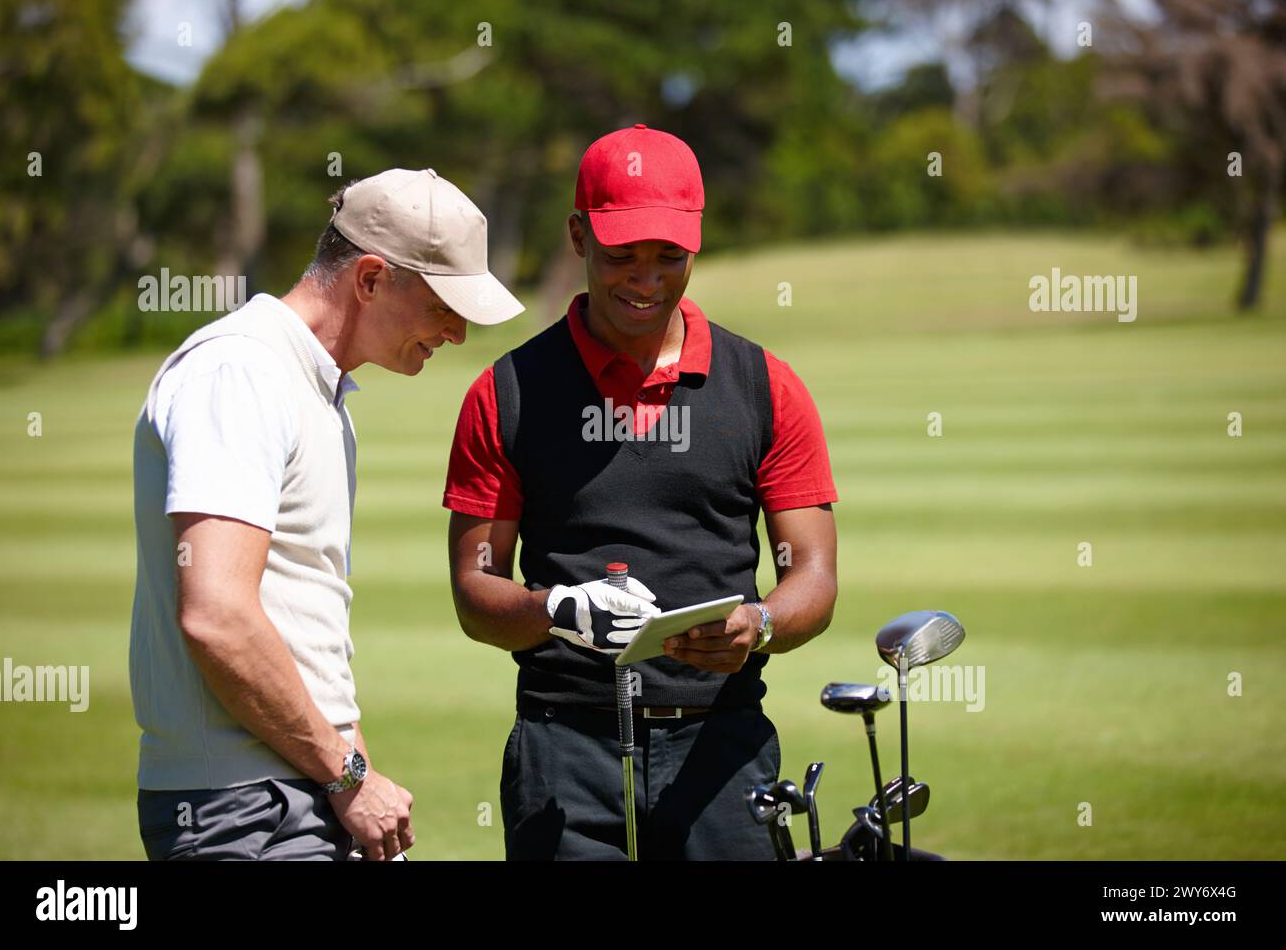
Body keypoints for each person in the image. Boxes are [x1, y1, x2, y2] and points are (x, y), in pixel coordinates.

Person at [445, 126, 839, 860]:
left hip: (720, 744)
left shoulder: (765, 385)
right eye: (622, 254)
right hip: (563, 747)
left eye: (669, 257)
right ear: (577, 235)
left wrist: (762, 622)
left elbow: (813, 576)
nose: (646, 279)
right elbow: (475, 591)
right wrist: (556, 611)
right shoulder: (504, 393)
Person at [131, 168, 523, 860]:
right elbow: (216, 615)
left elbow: (309, 636)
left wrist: (358, 783)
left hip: (298, 790)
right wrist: (348, 775)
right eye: (442, 305)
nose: (458, 333)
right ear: (370, 279)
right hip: (245, 809)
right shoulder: (241, 374)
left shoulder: (320, 393)